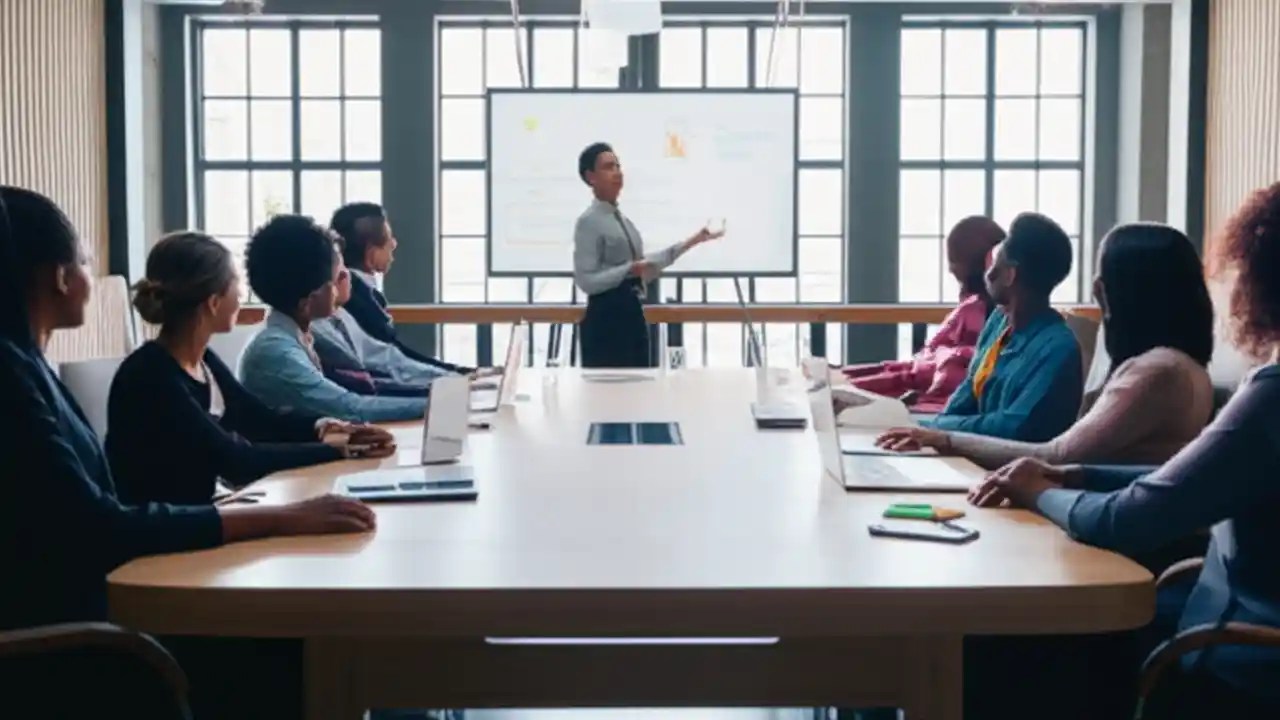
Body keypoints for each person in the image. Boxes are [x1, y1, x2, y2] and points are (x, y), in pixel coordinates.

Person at [0, 185, 375, 718]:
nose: (88, 273)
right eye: (85, 259)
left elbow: (253, 425)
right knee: (304, 653)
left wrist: (329, 439)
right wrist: (284, 516)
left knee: (313, 645)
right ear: (61, 277)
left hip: (116, 600)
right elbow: (99, 525)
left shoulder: (27, 367)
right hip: (89, 640)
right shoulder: (18, 380)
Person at [968, 182, 1280, 717]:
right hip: (1209, 618)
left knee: (985, 649)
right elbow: (1176, 479)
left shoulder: (1269, 396)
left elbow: (1130, 518)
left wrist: (1039, 491)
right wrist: (1072, 478)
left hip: (1221, 658)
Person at [877, 223, 1215, 468]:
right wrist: (927, 427)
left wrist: (942, 436)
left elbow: (1057, 454)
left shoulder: (1160, 372)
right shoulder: (1166, 365)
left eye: (1103, 279)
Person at [105, 231, 396, 506]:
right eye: (236, 283)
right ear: (214, 302)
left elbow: (261, 422)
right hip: (165, 541)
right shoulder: (152, 377)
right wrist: (338, 451)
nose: (242, 294)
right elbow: (237, 460)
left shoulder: (202, 360)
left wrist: (327, 428)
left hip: (200, 517)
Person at [874, 212, 1082, 442]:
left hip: (1011, 469)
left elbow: (1013, 426)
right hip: (967, 450)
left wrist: (940, 429)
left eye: (996, 264)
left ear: (1010, 276)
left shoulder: (1057, 347)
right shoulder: (998, 322)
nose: (989, 273)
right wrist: (930, 429)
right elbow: (967, 392)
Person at [239, 214, 430, 422]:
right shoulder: (276, 352)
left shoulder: (293, 333)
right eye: (339, 276)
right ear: (309, 301)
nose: (348, 279)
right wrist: (434, 405)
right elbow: (350, 408)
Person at [572, 142, 724, 368]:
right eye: (608, 167)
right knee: (609, 397)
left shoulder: (623, 220)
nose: (617, 172)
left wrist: (693, 241)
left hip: (632, 316)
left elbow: (645, 266)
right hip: (606, 321)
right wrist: (627, 271)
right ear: (591, 177)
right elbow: (586, 280)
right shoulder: (589, 222)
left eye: (618, 165)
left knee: (639, 390)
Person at [839, 216, 1003, 412]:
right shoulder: (984, 313)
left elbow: (922, 373)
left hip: (940, 411)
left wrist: (846, 383)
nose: (950, 269)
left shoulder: (974, 314)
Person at [330, 202, 475, 375]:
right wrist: (457, 374)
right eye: (388, 238)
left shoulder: (362, 291)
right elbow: (393, 357)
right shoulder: (356, 297)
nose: (394, 243)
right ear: (371, 252)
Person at [312, 246, 451, 397]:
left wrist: (450, 379)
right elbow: (359, 392)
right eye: (340, 272)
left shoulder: (341, 314)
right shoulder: (318, 330)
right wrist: (441, 391)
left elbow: (388, 357)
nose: (348, 275)